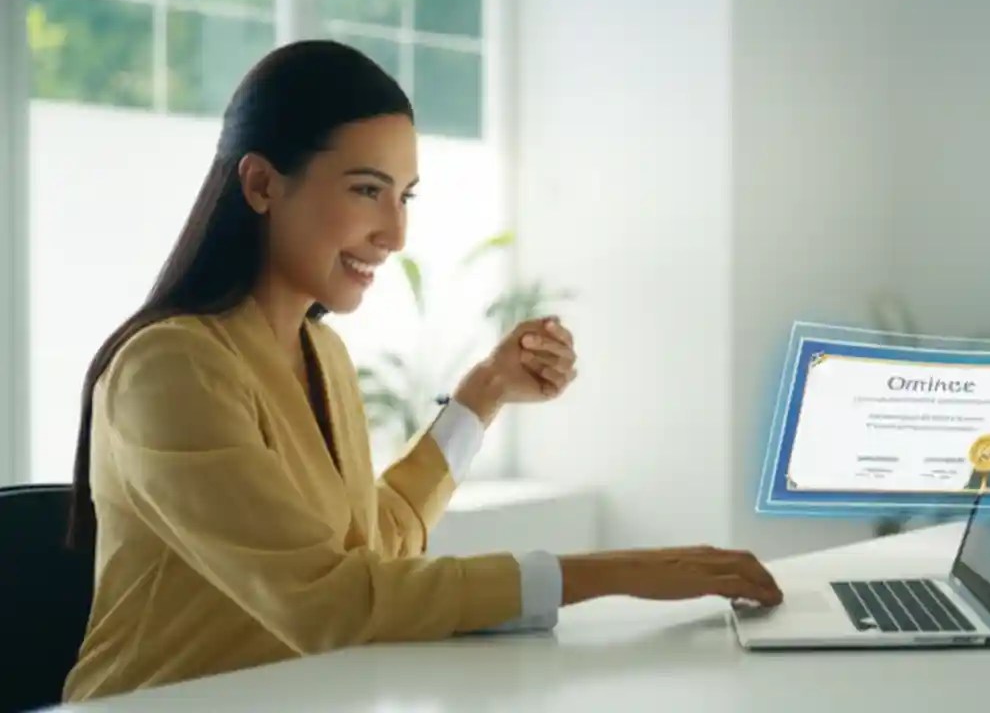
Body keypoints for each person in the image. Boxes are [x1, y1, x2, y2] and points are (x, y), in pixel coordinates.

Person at [61, 40, 782, 703]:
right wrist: (615, 574)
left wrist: (487, 390)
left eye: (404, 196)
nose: (395, 233)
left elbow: (371, 544)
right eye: (366, 191)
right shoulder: (171, 369)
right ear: (260, 185)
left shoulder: (322, 354)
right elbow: (332, 602)